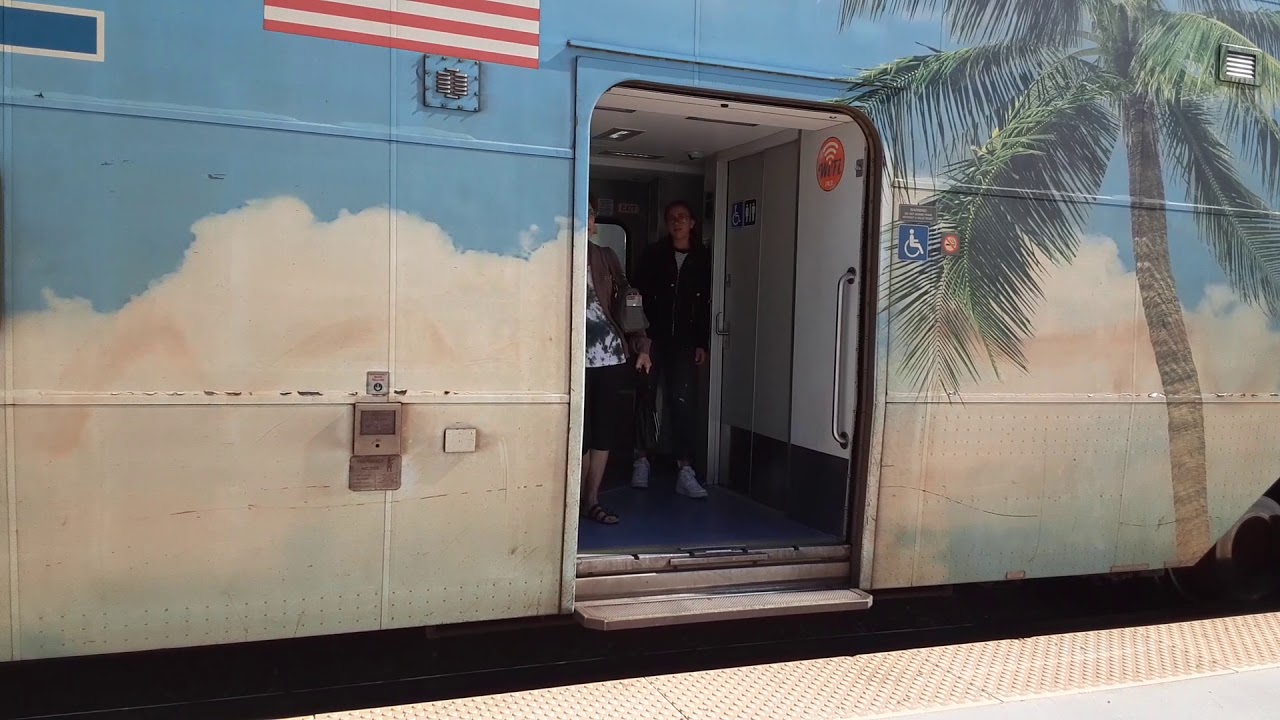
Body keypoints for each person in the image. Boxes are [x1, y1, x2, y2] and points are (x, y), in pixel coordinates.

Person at [631, 199, 711, 499]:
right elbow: (635, 297)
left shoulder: (704, 258)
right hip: (652, 339)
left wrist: (702, 342)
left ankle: (685, 469)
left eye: (682, 217)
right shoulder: (653, 255)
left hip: (685, 343)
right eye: (672, 218)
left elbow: (706, 306)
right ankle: (642, 459)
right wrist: (639, 337)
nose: (677, 222)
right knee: (646, 398)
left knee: (683, 403)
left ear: (692, 223)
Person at [582, 198, 651, 525]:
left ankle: (591, 499)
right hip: (569, 359)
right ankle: (571, 500)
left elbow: (629, 304)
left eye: (590, 215)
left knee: (602, 431)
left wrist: (642, 346)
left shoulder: (605, 257)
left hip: (609, 353)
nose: (586, 221)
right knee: (578, 430)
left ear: (595, 223)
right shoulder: (550, 256)